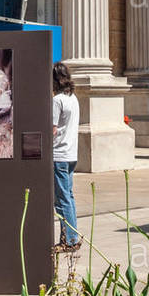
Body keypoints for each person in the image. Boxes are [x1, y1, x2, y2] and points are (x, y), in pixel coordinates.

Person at [51, 62, 81, 251]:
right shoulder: (73, 98)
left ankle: (69, 240)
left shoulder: (57, 100)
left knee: (62, 200)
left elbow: (52, 129)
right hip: (70, 153)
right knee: (68, 197)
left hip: (59, 153)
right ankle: (72, 236)